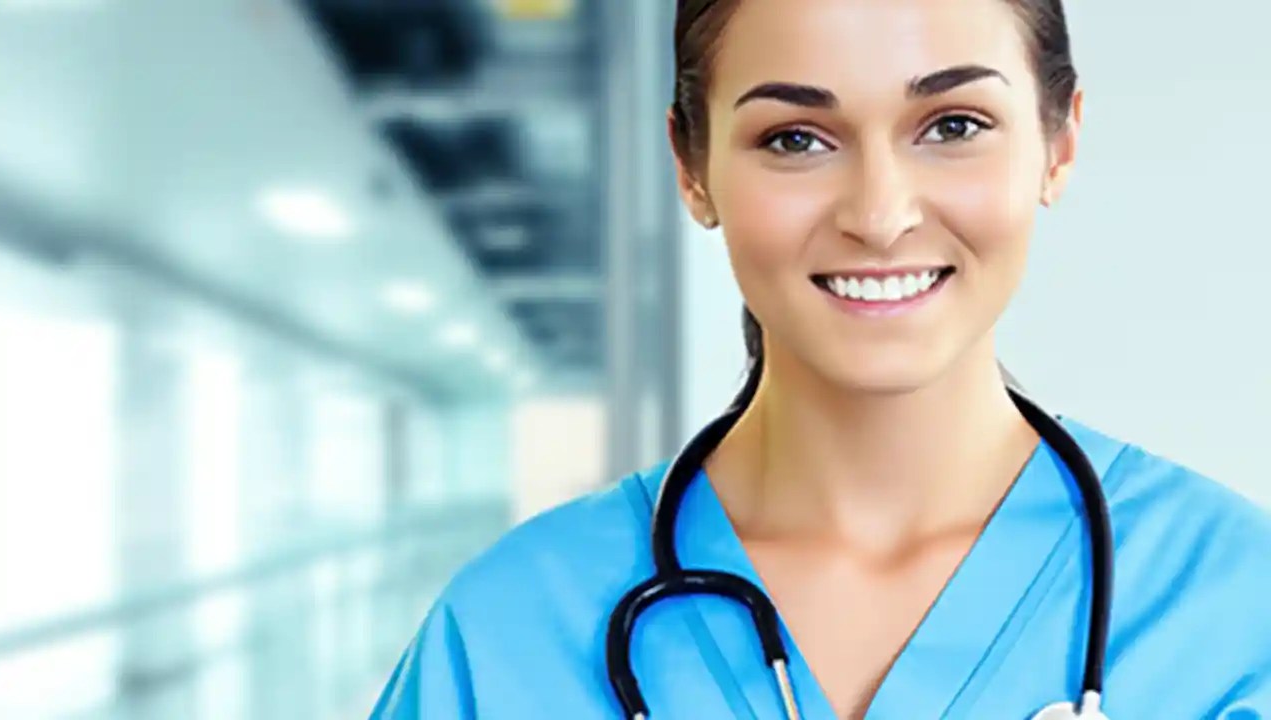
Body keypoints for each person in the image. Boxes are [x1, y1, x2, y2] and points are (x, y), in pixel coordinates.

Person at [369, 0, 1271, 717]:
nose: (878, 215)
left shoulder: (1237, 607)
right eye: (794, 139)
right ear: (691, 166)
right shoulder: (506, 634)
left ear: (1059, 143)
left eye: (953, 125)